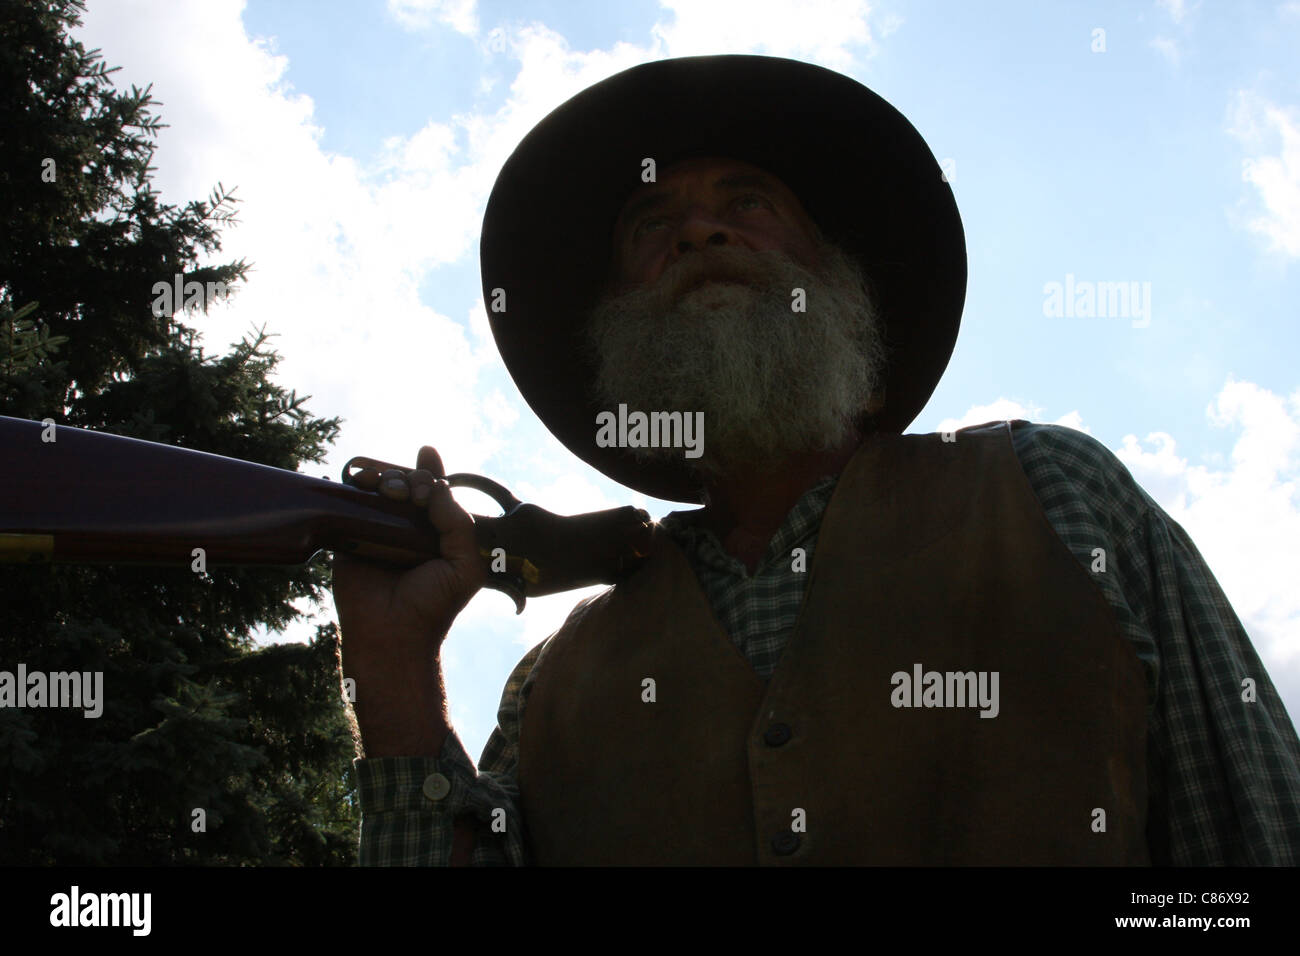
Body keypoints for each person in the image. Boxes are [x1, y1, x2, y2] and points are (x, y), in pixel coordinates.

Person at [332, 55, 1300, 865]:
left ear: (840, 287)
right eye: (650, 224)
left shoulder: (1060, 502)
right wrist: (396, 678)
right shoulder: (550, 688)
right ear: (612, 335)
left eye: (745, 202)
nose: (698, 231)